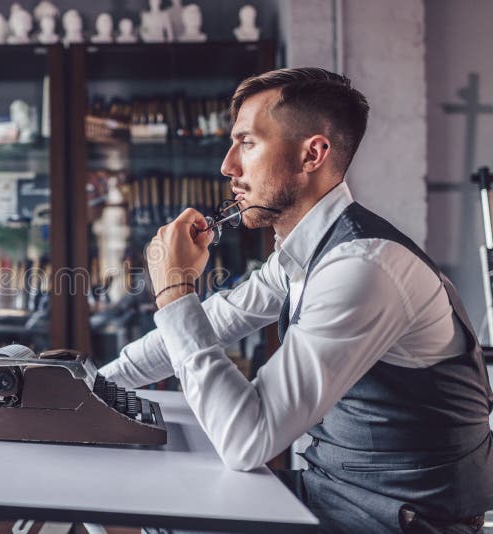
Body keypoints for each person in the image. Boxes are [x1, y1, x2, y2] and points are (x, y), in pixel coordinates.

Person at [100, 67, 493, 533]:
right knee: (159, 503)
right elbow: (218, 319)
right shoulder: (306, 253)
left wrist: (174, 290)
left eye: (247, 143)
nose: (228, 165)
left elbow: (248, 439)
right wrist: (95, 387)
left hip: (400, 522)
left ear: (312, 154)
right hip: (336, 494)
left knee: (166, 515)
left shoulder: (362, 269)